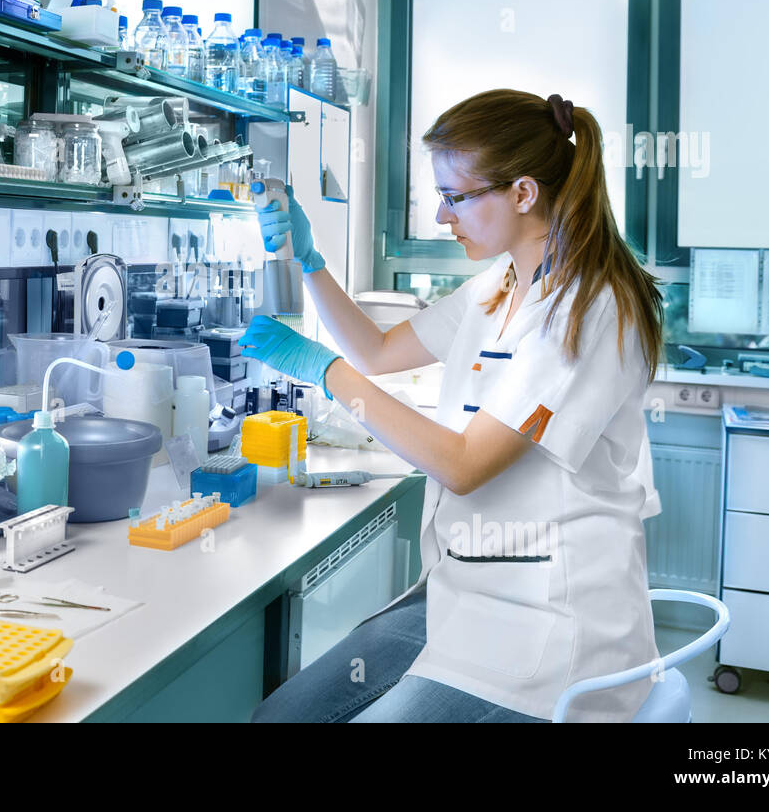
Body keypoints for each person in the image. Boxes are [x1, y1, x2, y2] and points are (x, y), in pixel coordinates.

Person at [245, 89, 665, 722]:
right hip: (463, 597)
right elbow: (379, 350)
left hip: (550, 623)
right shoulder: (500, 285)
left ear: (523, 193)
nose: (442, 216)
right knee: (280, 717)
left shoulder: (594, 308)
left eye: (455, 196)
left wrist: (323, 373)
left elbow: (465, 464)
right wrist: (311, 262)